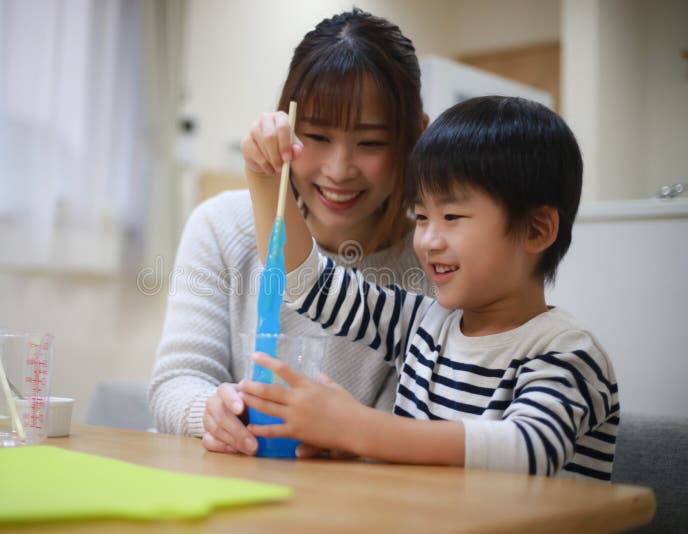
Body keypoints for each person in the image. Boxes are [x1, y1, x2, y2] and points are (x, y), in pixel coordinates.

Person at [241, 95, 619, 481]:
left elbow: (528, 449)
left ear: (537, 230)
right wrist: (264, 176)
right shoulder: (421, 324)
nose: (428, 240)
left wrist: (357, 428)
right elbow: (307, 284)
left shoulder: (567, 352)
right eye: (421, 216)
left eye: (452, 216)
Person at [148, 8, 430, 456]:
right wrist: (214, 411)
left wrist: (352, 436)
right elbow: (173, 384)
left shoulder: (436, 267)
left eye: (371, 143)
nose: (339, 170)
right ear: (285, 126)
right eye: (316, 136)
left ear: (416, 138)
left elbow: (429, 435)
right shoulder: (222, 228)